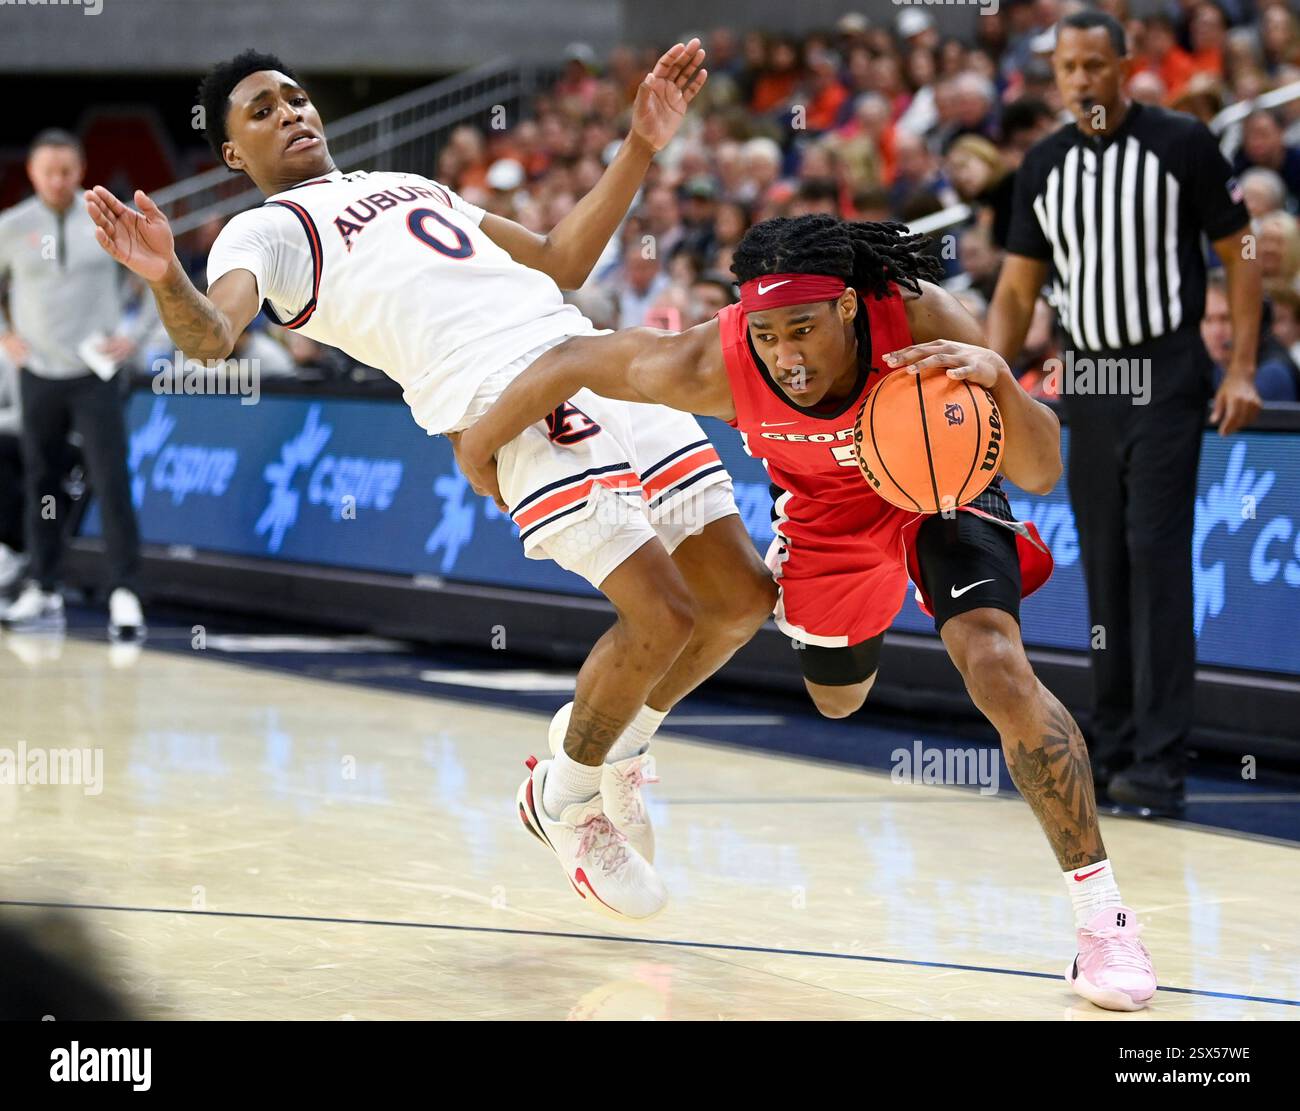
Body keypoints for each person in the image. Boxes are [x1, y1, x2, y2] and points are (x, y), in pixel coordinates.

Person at [85, 46, 776, 922]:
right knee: (664, 614)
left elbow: (562, 259)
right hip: (507, 402)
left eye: (296, 98)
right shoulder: (263, 232)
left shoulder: (412, 185)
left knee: (741, 597)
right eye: (260, 112)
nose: (291, 113)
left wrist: (638, 144)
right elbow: (215, 335)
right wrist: (165, 277)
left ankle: (623, 742)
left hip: (590, 359)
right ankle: (562, 799)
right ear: (232, 155)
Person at [457, 214, 1159, 1013]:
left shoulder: (921, 320)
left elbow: (1040, 468)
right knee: (837, 695)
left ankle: (1104, 922)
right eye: (767, 333)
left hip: (941, 494)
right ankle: (622, 748)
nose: (785, 356)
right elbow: (574, 357)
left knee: (996, 665)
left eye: (803, 329)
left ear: (851, 310)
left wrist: (998, 378)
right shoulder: (712, 363)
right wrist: (479, 445)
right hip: (828, 518)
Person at [987, 10, 1262, 818]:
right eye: (1068, 69)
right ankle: (1105, 751)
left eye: (1094, 66)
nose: (1081, 81)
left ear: (1124, 64)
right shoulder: (1042, 164)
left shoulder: (1182, 143)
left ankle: (1160, 760)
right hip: (1091, 379)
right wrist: (990, 377)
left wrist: (1241, 365)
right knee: (1103, 564)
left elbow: (1241, 249)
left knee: (1156, 559)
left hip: (1170, 369)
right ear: (1056, 75)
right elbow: (1014, 286)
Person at [0, 130, 149, 639]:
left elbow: (157, 277)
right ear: (32, 174)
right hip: (39, 372)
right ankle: (43, 586)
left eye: (67, 171)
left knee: (110, 479)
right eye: (48, 172)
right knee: (41, 480)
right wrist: (6, 335)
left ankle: (125, 592)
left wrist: (134, 334)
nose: (58, 181)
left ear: (81, 170)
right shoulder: (13, 226)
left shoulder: (106, 218)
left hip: (96, 374)